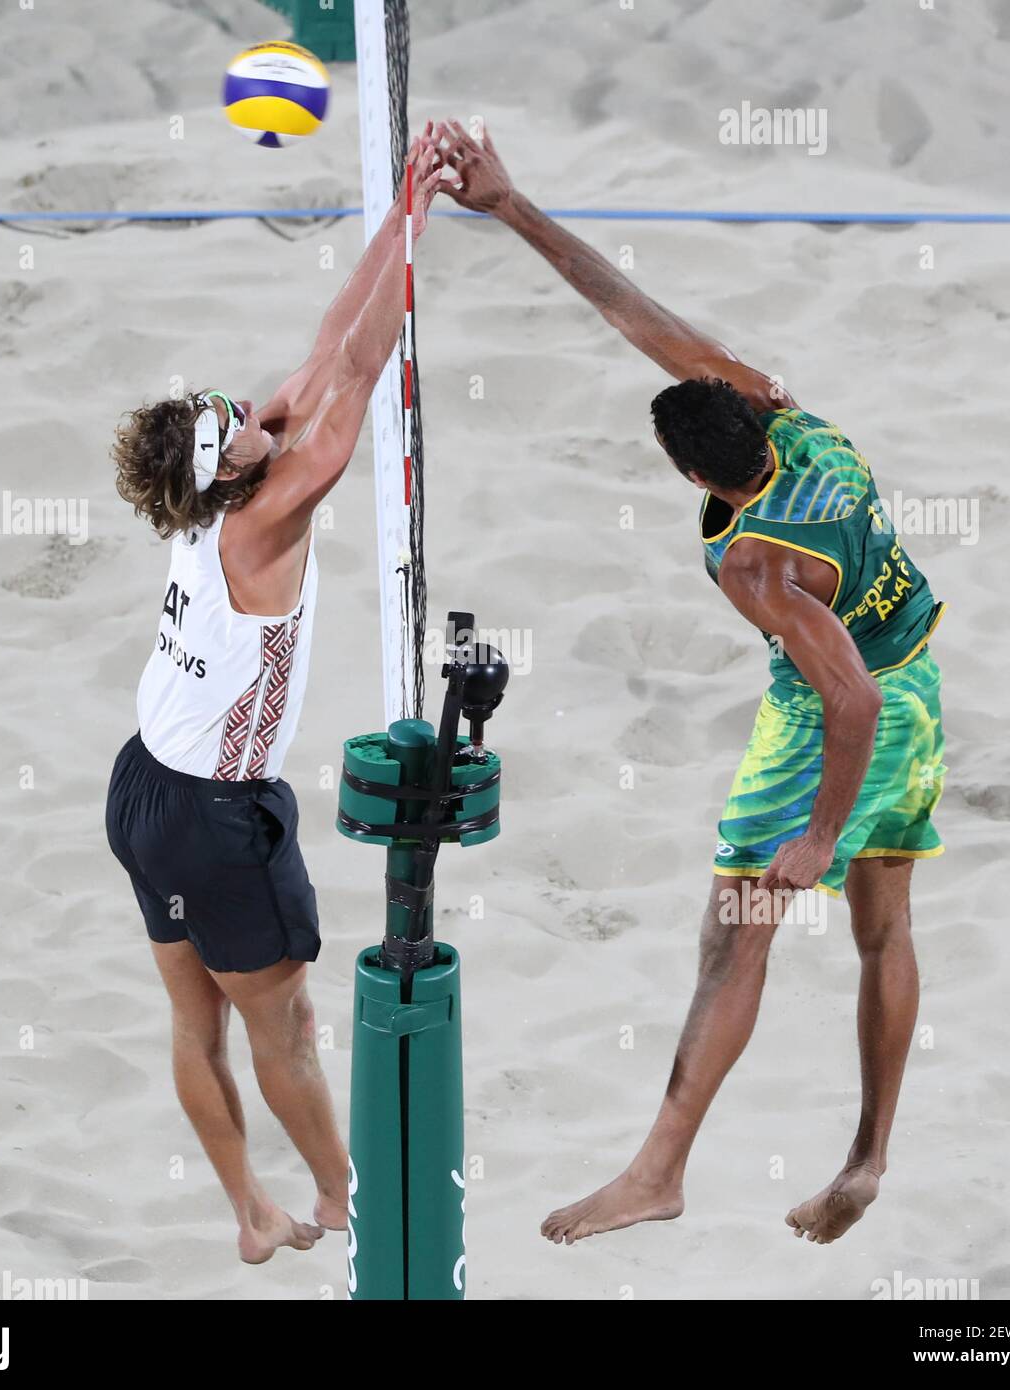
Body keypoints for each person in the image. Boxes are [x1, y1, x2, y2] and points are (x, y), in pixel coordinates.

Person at [433, 122, 946, 1247]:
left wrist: (814, 832)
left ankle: (658, 1170)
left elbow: (844, 698)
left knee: (737, 927)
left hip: (840, 718)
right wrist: (513, 209)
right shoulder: (792, 417)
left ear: (686, 470)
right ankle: (867, 1155)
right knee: (884, 927)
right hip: (919, 687)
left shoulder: (750, 561)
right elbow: (637, 315)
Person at [105, 132, 442, 1264]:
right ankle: (348, 1201)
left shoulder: (217, 498)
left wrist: (400, 207)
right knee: (282, 1021)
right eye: (229, 418)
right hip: (210, 815)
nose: (244, 405)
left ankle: (250, 1210)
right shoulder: (269, 512)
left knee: (192, 1019)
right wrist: (423, 219)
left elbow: (325, 346)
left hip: (141, 784)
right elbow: (357, 372)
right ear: (231, 465)